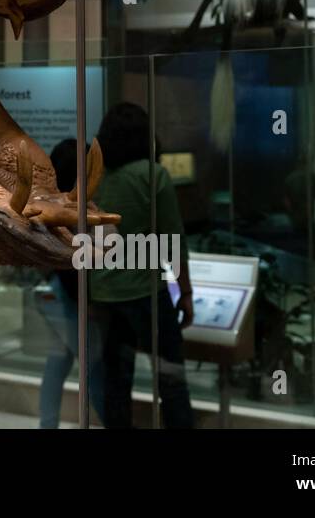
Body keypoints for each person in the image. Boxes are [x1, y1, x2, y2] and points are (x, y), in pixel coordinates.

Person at [88, 103, 195, 429]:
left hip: (104, 296)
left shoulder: (93, 179)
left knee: (117, 385)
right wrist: (185, 292)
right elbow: (173, 240)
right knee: (171, 380)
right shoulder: (154, 175)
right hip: (146, 295)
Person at [36, 139, 104, 427]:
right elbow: (71, 262)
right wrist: (85, 301)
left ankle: (48, 423)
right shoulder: (70, 210)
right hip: (71, 297)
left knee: (59, 361)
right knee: (93, 365)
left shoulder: (53, 205)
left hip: (59, 291)